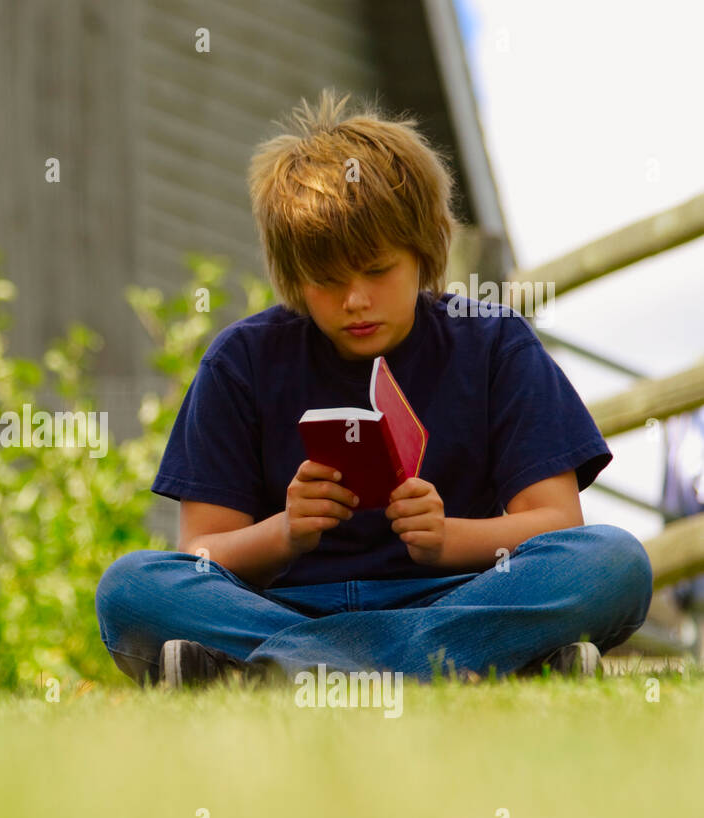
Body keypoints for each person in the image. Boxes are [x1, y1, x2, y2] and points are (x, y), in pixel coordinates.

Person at [95, 88, 653, 689]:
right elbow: (202, 552)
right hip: (289, 606)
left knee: (614, 562)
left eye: (378, 271)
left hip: (457, 596)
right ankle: (454, 664)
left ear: (424, 251)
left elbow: (557, 522)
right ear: (293, 276)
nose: (355, 300)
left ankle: (295, 669)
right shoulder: (241, 360)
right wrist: (286, 530)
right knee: (130, 588)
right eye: (327, 280)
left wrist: (448, 540)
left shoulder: (494, 342)